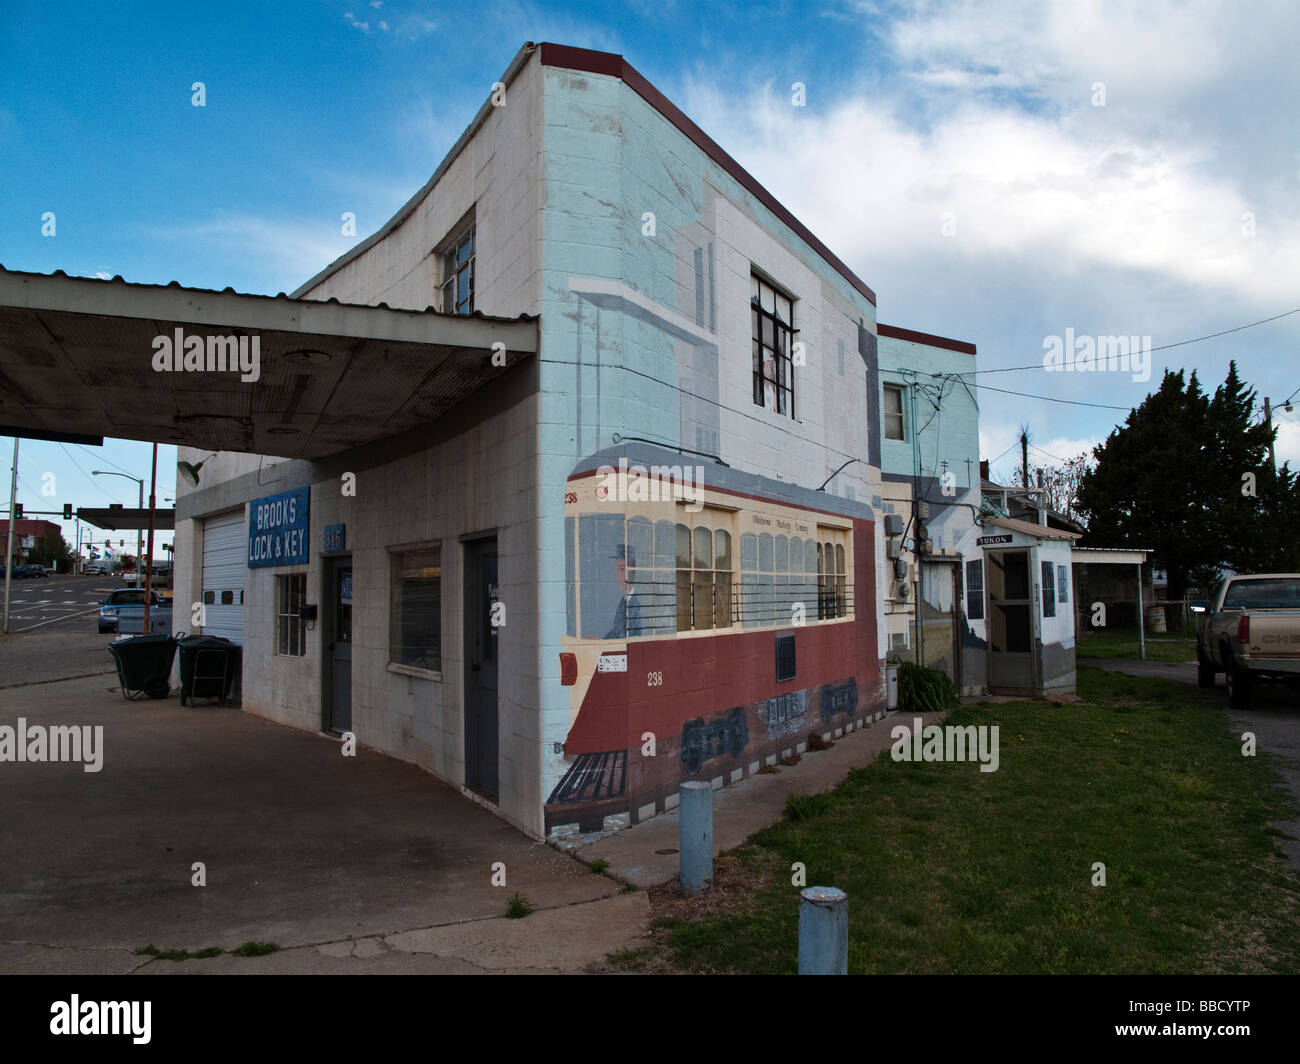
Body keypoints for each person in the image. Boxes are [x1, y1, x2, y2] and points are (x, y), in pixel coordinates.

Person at [605, 545, 644, 638]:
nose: (615, 573)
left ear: (631, 572)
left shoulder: (635, 605)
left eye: (621, 569)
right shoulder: (623, 601)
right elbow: (616, 630)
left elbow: (624, 638)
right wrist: (599, 642)